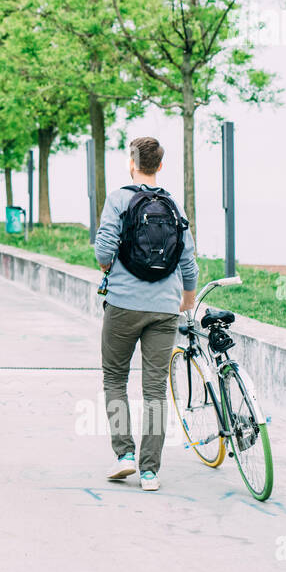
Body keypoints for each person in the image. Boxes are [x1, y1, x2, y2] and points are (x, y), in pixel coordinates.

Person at [94, 136, 198, 492]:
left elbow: (103, 249)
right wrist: (186, 299)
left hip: (123, 303)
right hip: (164, 308)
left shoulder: (120, 198)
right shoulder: (173, 205)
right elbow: (188, 261)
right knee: (155, 390)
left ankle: (124, 455)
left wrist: (110, 267)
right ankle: (150, 471)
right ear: (160, 165)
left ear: (132, 162)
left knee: (115, 379)